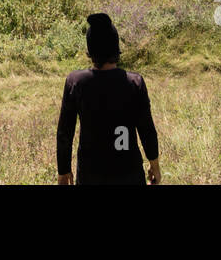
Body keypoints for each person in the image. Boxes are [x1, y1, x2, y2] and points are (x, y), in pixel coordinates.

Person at [56, 12, 161, 185]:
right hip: (128, 172)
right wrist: (154, 164)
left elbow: (64, 132)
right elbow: (146, 128)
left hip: (91, 173)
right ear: (116, 48)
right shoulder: (134, 82)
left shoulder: (76, 82)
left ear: (90, 50)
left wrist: (63, 171)